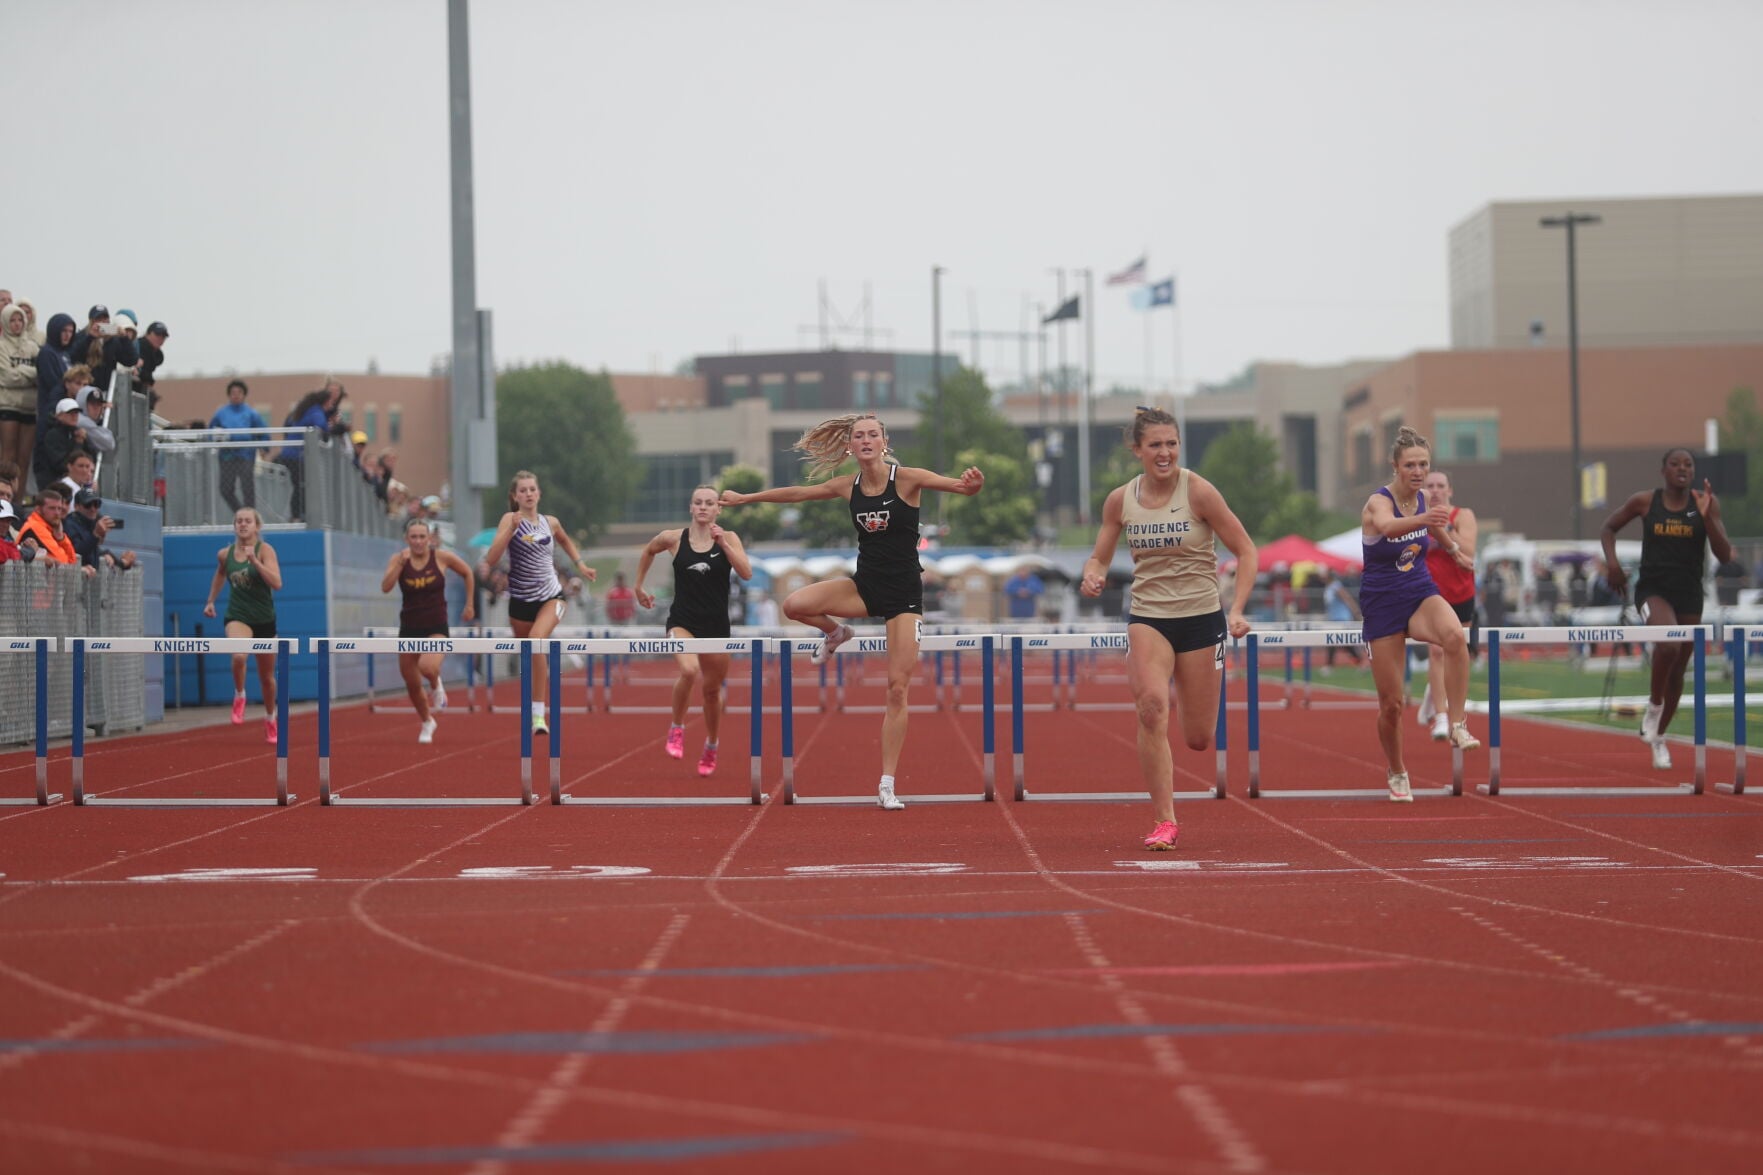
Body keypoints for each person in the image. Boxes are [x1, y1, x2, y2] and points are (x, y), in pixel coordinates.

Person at [719, 412, 984, 809]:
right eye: (858, 436)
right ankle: (836, 632)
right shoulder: (848, 486)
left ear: (883, 442)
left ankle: (887, 783)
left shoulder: (907, 478)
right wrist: (747, 499)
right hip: (864, 588)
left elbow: (958, 488)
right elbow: (796, 494)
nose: (865, 441)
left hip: (903, 597)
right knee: (794, 604)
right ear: (850, 446)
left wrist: (970, 487)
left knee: (896, 688)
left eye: (872, 435)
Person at [1079, 406, 1256, 850]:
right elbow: (1100, 554)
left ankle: (1192, 695)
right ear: (1137, 449)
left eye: (1171, 443)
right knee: (1152, 708)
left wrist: (1237, 608)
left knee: (1198, 738)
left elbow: (1246, 549)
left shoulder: (1199, 491)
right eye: (1155, 444)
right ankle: (1165, 821)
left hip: (1201, 618)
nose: (1165, 452)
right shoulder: (1121, 500)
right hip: (1149, 617)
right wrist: (1093, 573)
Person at [1360, 426, 1478, 802]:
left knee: (1456, 637)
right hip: (1381, 602)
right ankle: (1396, 770)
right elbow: (1389, 527)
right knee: (1392, 704)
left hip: (1418, 589)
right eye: (1410, 465)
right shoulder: (1378, 502)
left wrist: (1455, 550)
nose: (1418, 471)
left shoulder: (1425, 499)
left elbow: (1436, 528)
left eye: (1423, 464)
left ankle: (1457, 722)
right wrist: (1428, 523)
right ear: (1395, 466)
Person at [1600, 447, 1733, 770]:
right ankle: (1654, 706)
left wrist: (1706, 519)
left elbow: (1725, 555)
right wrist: (1613, 566)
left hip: (1689, 594)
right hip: (1652, 591)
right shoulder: (1646, 502)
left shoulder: (1705, 503)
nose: (1682, 469)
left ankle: (1658, 736)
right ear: (1664, 471)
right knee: (1668, 644)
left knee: (1677, 672)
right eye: (1675, 464)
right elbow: (1608, 529)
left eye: (1688, 464)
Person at [633, 485, 753, 776]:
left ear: (718, 509)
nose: (702, 507)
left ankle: (712, 744)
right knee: (688, 671)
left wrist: (723, 543)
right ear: (690, 507)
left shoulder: (729, 538)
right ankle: (677, 726)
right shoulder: (673, 538)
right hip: (682, 621)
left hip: (716, 626)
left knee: (712, 692)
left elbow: (747, 573)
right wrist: (639, 586)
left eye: (709, 503)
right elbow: (649, 550)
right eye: (697, 502)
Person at [483, 470, 596, 733]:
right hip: (520, 601)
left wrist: (581, 565)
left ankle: (538, 717)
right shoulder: (509, 520)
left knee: (536, 641)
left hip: (552, 597)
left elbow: (566, 541)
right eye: (523, 490)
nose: (528, 494)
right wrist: (509, 530)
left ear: (539, 493)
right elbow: (491, 559)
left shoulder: (551, 522)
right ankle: (532, 705)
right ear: (515, 496)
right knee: (530, 655)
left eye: (532, 489)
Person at [381, 517, 476, 744]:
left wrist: (470, 604)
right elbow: (385, 587)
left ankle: (436, 684)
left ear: (429, 538)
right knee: (411, 682)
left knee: (428, 666)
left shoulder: (441, 557)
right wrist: (400, 565)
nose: (418, 541)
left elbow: (467, 573)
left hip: (436, 626)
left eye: (422, 537)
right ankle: (427, 721)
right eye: (413, 537)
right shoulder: (398, 559)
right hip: (409, 627)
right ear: (406, 539)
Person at [202, 507, 283, 744]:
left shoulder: (265, 550)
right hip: (238, 616)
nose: (243, 525)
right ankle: (239, 694)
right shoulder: (224, 554)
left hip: (265, 620)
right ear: (234, 526)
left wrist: (255, 562)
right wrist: (211, 601)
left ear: (257, 526)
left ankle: (270, 717)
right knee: (239, 655)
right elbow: (220, 574)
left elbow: (277, 583)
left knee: (267, 678)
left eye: (248, 521)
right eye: (239, 521)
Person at [1415, 470, 1479, 741]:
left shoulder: (1463, 516)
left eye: (1441, 485)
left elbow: (1469, 551)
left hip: (1461, 593)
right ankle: (1443, 718)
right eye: (1430, 486)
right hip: (1431, 594)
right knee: (1437, 652)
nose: (1436, 490)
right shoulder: (1418, 518)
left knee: (1457, 654)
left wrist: (1445, 532)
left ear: (1449, 490)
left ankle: (1435, 692)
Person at [210, 379, 267, 512]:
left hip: (246, 454)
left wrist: (264, 447)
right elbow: (211, 430)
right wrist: (215, 441)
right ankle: (240, 513)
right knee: (225, 489)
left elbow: (262, 430)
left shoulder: (251, 413)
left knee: (247, 487)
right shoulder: (221, 413)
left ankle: (251, 516)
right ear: (229, 395)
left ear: (244, 394)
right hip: (227, 455)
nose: (235, 395)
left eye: (239, 392)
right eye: (232, 392)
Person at [0, 305, 38, 474]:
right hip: (8, 406)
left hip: (29, 408)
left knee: (23, 460)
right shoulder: (2, 346)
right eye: (12, 320)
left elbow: (40, 374)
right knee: (7, 458)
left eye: (20, 320)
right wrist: (29, 375)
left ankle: (18, 499)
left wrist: (20, 370)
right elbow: (7, 377)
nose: (17, 324)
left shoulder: (32, 347)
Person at [65, 488, 136, 572]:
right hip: (75, 580)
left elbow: (96, 552)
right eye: (87, 505)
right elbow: (76, 553)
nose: (93, 509)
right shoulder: (69, 524)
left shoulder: (90, 523)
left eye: (96, 504)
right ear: (76, 506)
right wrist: (95, 534)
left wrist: (123, 563)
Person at [16, 486, 85, 570]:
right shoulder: (35, 527)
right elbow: (64, 563)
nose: (57, 513)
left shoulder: (50, 528)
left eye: (59, 508)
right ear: (38, 509)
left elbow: (72, 561)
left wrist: (61, 538)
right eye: (52, 508)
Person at [1321, 568, 1363, 666]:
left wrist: (1356, 612)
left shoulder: (1336, 586)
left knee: (1334, 641)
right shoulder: (1328, 587)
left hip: (1341, 618)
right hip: (1334, 618)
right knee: (1340, 642)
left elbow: (1347, 599)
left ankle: (1329, 665)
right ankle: (1359, 661)